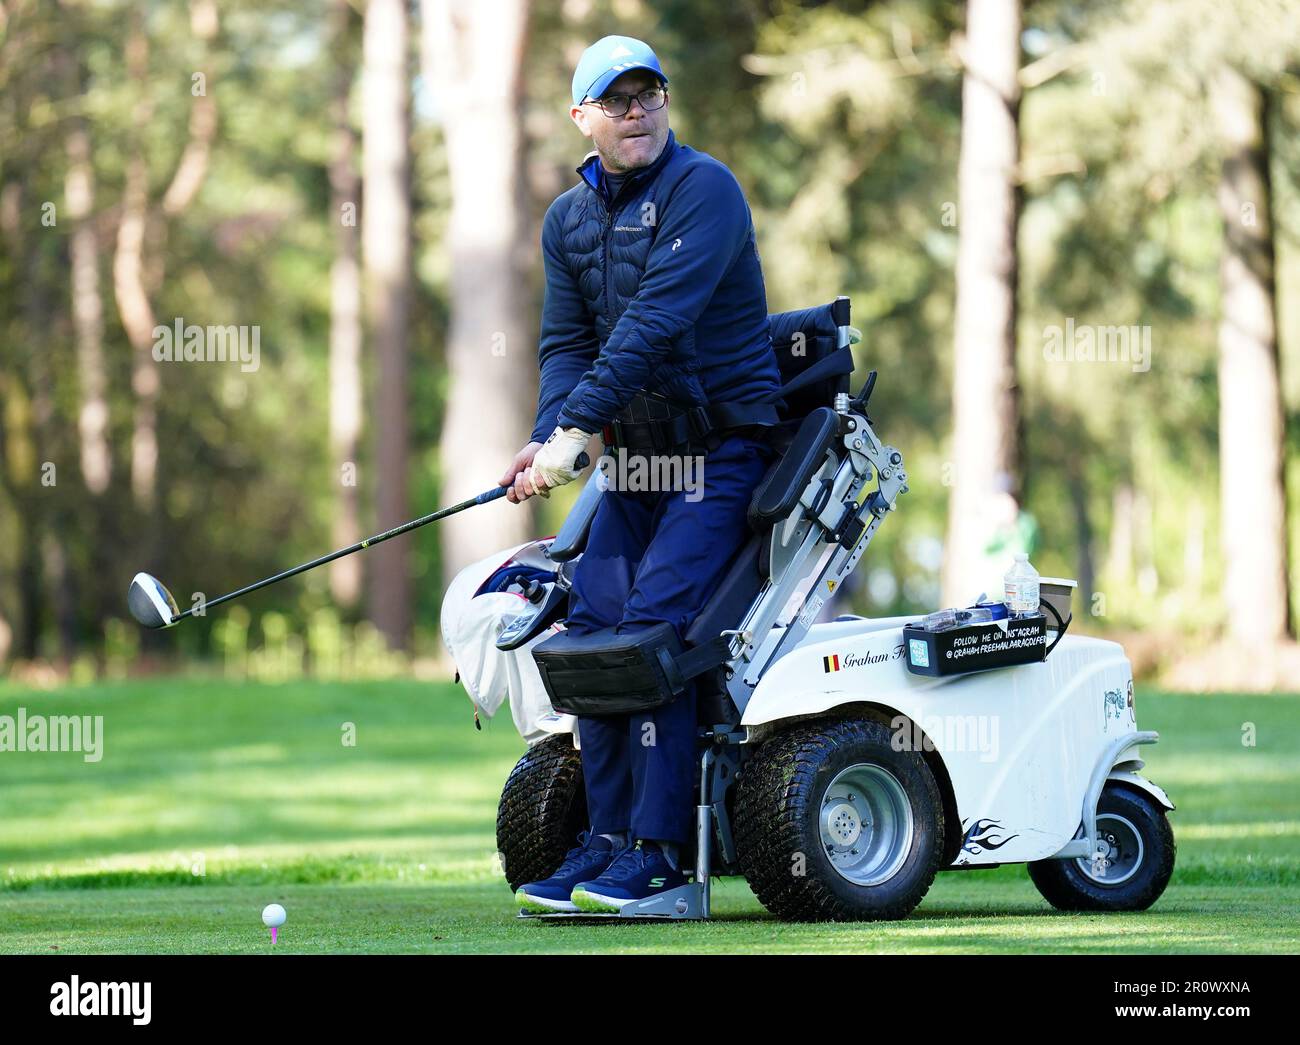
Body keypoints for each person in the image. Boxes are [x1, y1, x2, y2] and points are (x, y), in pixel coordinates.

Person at [498, 35, 782, 913]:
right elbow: (566, 345)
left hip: (722, 451)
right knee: (588, 628)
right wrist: (548, 436)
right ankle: (608, 840)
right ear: (582, 118)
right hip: (638, 460)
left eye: (649, 93)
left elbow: (655, 322)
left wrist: (577, 426)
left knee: (654, 628)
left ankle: (662, 856)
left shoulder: (706, 189)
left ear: (665, 101)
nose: (637, 111)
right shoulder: (566, 221)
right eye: (615, 100)